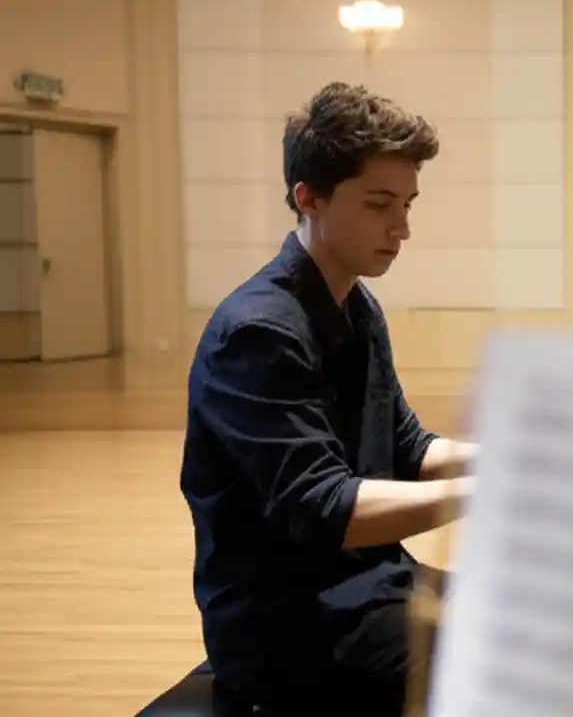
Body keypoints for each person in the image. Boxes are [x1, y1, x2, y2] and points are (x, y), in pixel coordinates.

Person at [180, 81, 476, 716]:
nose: (402, 228)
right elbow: (326, 508)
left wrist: (513, 457)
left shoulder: (357, 303)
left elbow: (407, 448)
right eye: (379, 204)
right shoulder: (257, 333)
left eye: (407, 204)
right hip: (287, 627)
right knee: (499, 658)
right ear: (307, 197)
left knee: (532, 612)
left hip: (368, 588)